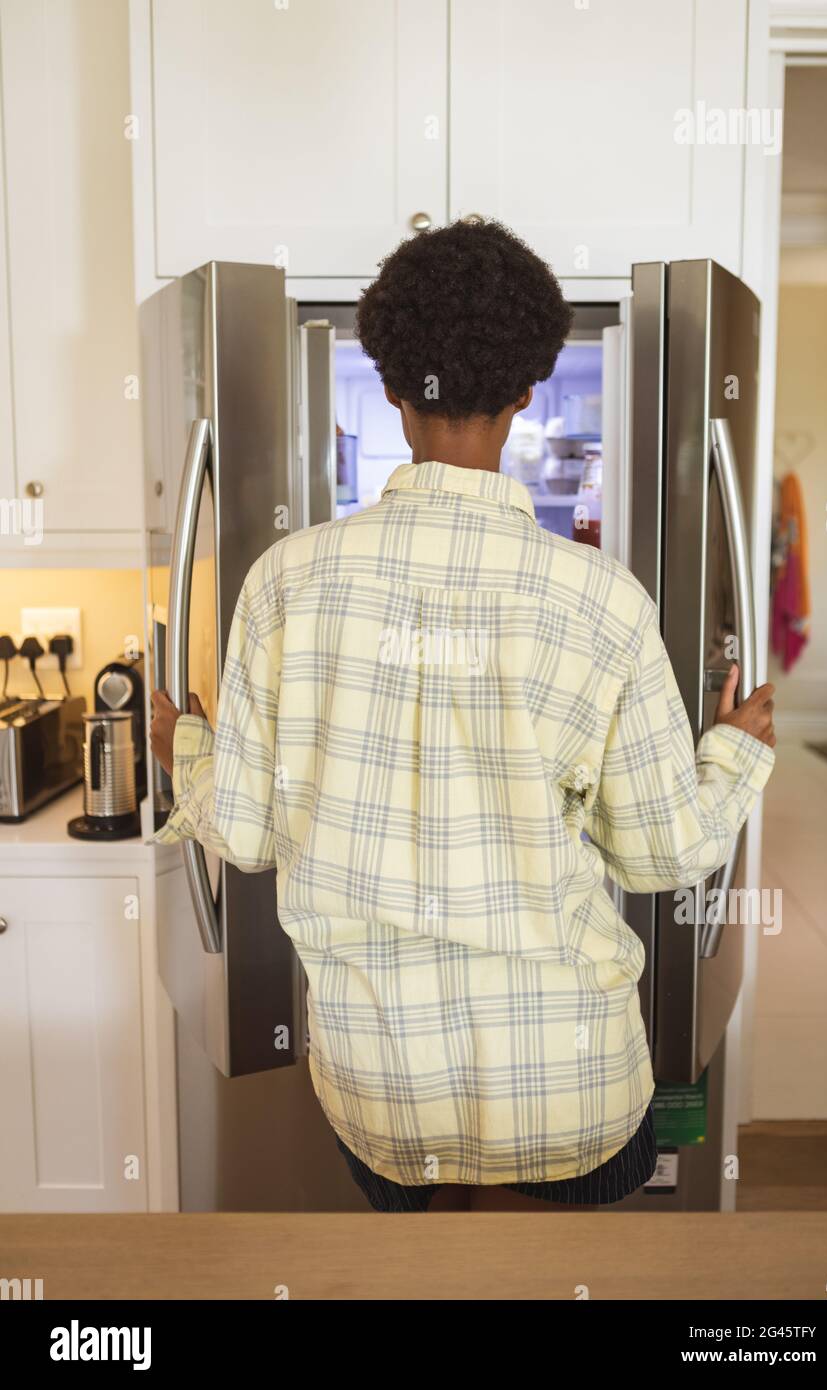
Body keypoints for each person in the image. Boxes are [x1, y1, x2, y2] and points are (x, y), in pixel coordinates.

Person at [150, 219, 775, 1213]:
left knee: (414, 1288)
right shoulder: (601, 599)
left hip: (381, 1095)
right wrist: (733, 752)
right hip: (574, 1093)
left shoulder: (283, 583)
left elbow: (245, 832)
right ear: (528, 391)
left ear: (391, 389)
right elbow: (663, 853)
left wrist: (182, 743)